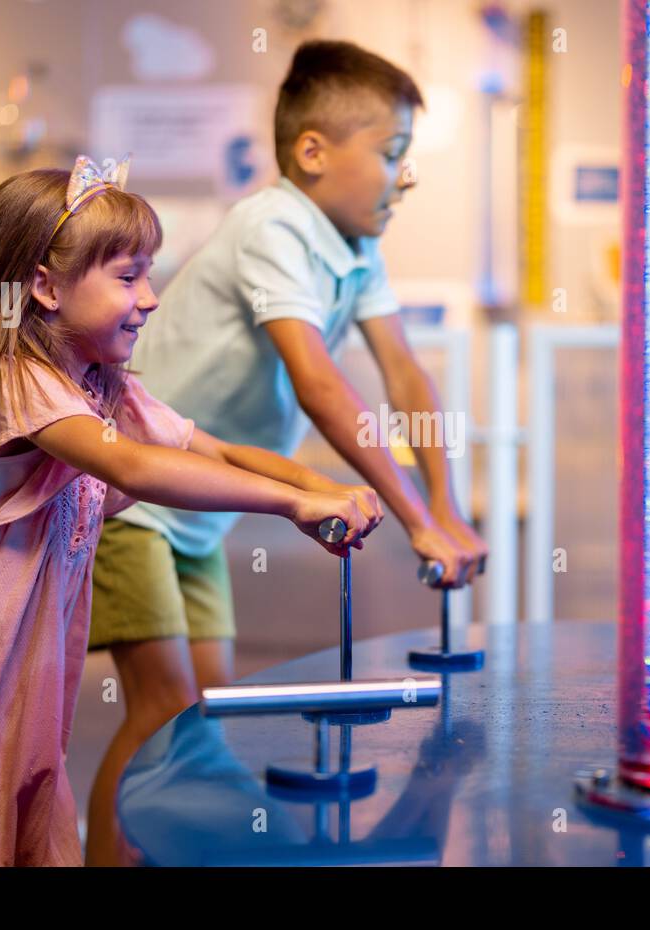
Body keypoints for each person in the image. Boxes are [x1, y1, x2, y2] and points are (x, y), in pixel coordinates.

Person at [0, 157, 379, 867]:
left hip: (2, 658)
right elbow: (133, 465)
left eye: (149, 272)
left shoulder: (102, 385)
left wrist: (320, 484)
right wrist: (295, 503)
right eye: (127, 276)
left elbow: (213, 449)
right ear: (45, 287)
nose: (150, 297)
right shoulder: (16, 379)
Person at [86, 40, 488, 865]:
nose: (404, 177)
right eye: (391, 154)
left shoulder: (355, 247)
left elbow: (405, 373)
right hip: (135, 495)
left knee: (199, 720)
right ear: (313, 152)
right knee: (164, 712)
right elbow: (321, 384)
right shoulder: (273, 223)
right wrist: (416, 522)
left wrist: (445, 505)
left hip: (199, 512)